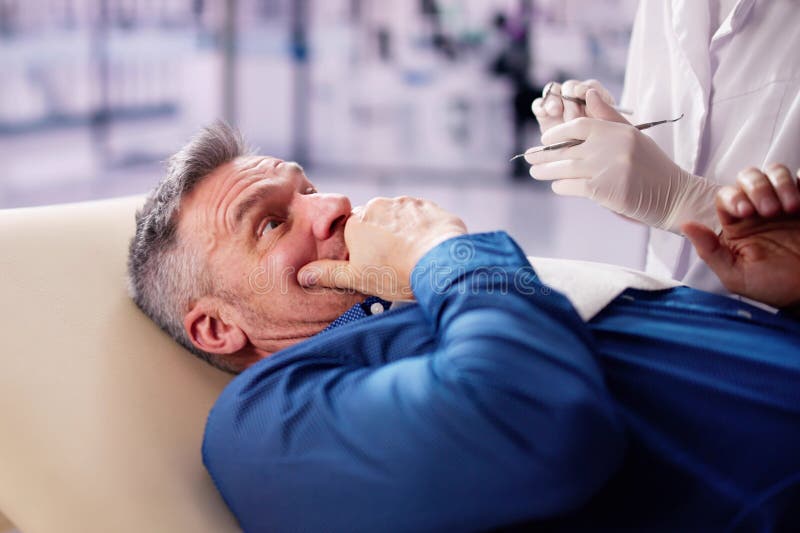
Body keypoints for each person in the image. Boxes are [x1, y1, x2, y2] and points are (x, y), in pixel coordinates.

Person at [128, 123, 800, 532]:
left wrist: (780, 297)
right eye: (271, 221)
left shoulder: (440, 301)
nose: (331, 205)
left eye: (307, 188)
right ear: (217, 328)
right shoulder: (262, 419)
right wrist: (440, 254)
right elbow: (530, 423)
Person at [528, 0, 800, 294]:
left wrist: (685, 201)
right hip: (666, 307)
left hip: (772, 326)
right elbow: (651, 195)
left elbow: (669, 196)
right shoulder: (660, 7)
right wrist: (608, 155)